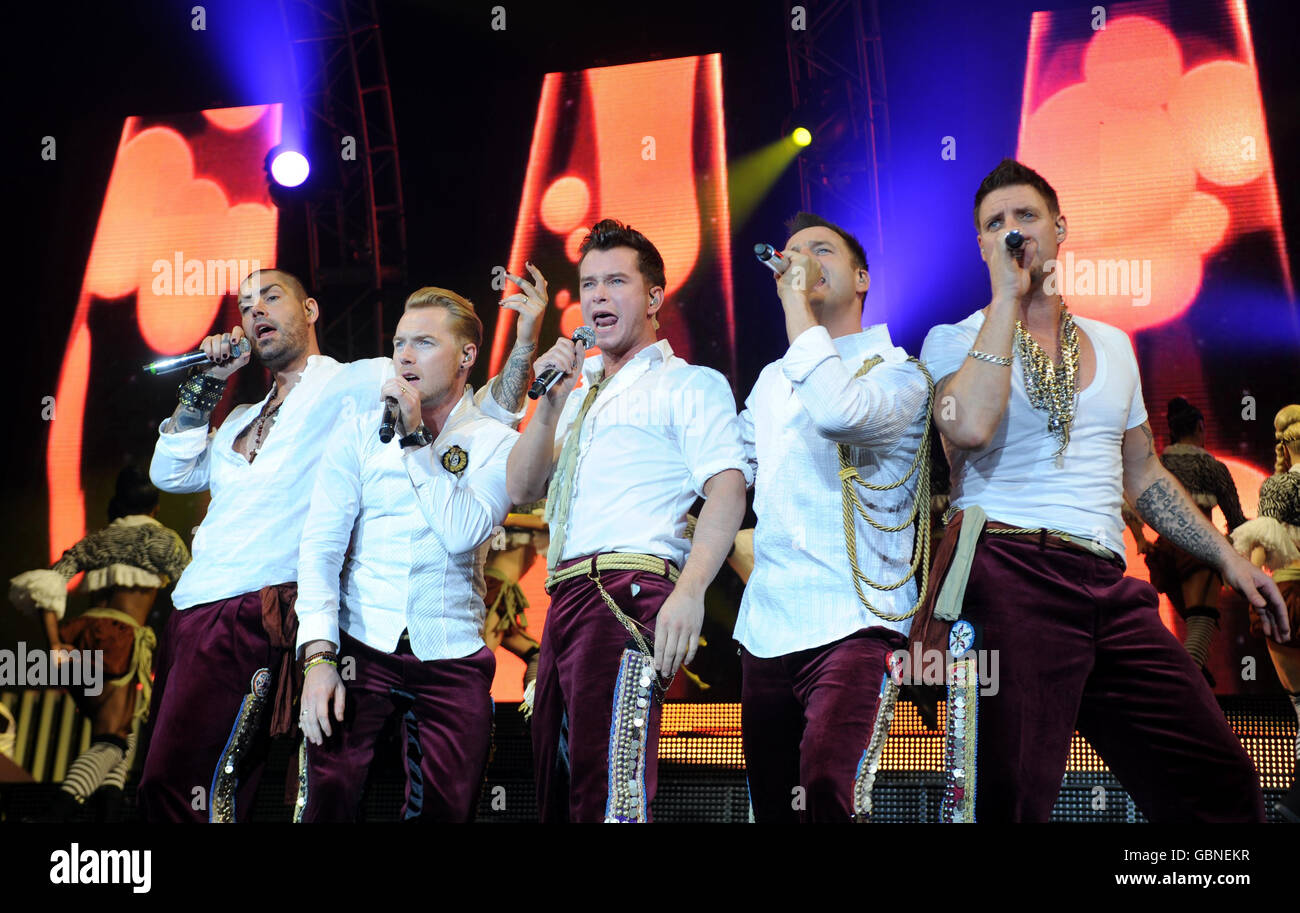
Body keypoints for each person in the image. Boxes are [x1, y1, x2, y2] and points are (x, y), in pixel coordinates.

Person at [916, 158, 1289, 823]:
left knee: (1218, 782)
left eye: (1025, 216)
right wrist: (1007, 299)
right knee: (1010, 795)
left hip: (1107, 584)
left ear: (1060, 227)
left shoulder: (1114, 344)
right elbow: (968, 426)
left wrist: (1228, 555)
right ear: (980, 246)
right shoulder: (953, 339)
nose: (1012, 231)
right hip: (1008, 568)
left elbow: (1144, 473)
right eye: (994, 223)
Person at [137, 268, 543, 822]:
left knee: (207, 782)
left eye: (272, 297)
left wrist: (523, 346)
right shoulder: (240, 417)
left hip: (262, 608)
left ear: (310, 310)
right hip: (195, 605)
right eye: (245, 303)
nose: (255, 310)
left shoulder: (356, 381)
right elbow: (170, 472)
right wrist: (209, 380)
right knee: (162, 778)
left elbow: (477, 411)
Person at [506, 219, 749, 822]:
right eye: (589, 284)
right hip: (563, 598)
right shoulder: (575, 388)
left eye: (617, 281)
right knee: (558, 792)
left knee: (609, 788)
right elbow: (521, 486)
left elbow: (727, 487)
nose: (598, 296)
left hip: (627, 590)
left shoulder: (688, 383)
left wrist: (691, 590)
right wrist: (549, 404)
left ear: (654, 298)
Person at [733, 213, 931, 822]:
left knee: (828, 786)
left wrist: (797, 308)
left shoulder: (901, 372)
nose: (803, 261)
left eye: (822, 251)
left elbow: (839, 412)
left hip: (858, 620)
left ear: (863, 277)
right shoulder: (771, 381)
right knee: (775, 804)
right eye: (791, 254)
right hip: (769, 625)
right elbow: (729, 473)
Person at [295, 287, 517, 821]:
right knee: (329, 797)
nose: (405, 356)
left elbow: (462, 531)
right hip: (360, 641)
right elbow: (322, 546)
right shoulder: (359, 432)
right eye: (399, 343)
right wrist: (319, 658)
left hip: (452, 650)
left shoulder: (495, 440)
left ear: (466, 356)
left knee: (448, 808)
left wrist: (416, 440)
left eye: (423, 342)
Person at [9, 466, 190, 821]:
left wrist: (56, 643)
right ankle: (56, 813)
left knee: (120, 730)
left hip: (81, 638)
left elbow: (46, 584)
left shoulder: (99, 538)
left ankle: (109, 806)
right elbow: (195, 593)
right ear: (154, 506)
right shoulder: (164, 540)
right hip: (117, 643)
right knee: (113, 740)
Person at [1140, 397, 1246, 673]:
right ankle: (1183, 689)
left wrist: (1140, 540)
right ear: (1200, 427)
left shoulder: (1158, 465)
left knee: (1193, 630)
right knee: (1200, 628)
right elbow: (1236, 520)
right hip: (1200, 549)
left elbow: (1130, 503)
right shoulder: (1213, 468)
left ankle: (1189, 684)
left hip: (1165, 551)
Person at [1231, 404, 1300, 821]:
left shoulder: (1276, 489)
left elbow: (1257, 557)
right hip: (1288, 596)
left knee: (1298, 703)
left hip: (1288, 597)